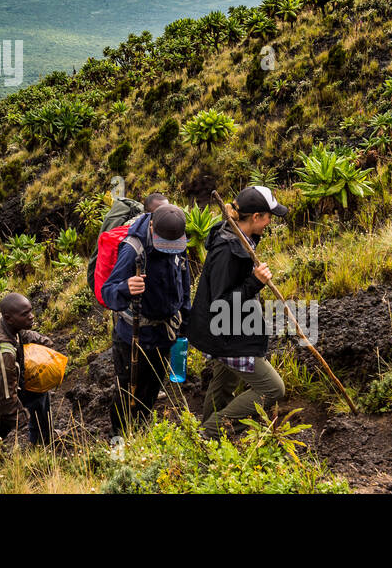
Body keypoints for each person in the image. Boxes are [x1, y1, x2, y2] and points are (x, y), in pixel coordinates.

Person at [187, 185, 288, 441]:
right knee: (273, 388)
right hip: (226, 333)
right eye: (268, 217)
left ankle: (206, 443)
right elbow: (220, 304)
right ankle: (208, 433)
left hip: (230, 330)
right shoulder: (227, 251)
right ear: (256, 217)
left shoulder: (239, 238)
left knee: (223, 386)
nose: (269, 223)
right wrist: (255, 283)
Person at [101, 203, 192, 437]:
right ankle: (119, 439)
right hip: (134, 335)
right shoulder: (132, 249)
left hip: (165, 333)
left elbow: (184, 283)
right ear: (152, 227)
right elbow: (108, 291)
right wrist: (126, 287)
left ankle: (141, 433)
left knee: (152, 388)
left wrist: (185, 324)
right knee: (127, 390)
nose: (170, 249)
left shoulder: (177, 242)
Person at [0, 293, 55, 481]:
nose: (31, 316)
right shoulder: (4, 353)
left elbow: (23, 334)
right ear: (9, 318)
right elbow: (5, 399)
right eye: (25, 314)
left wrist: (45, 343)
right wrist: (21, 417)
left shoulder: (3, 322)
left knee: (40, 395)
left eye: (30, 311)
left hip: (3, 389)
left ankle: (41, 443)